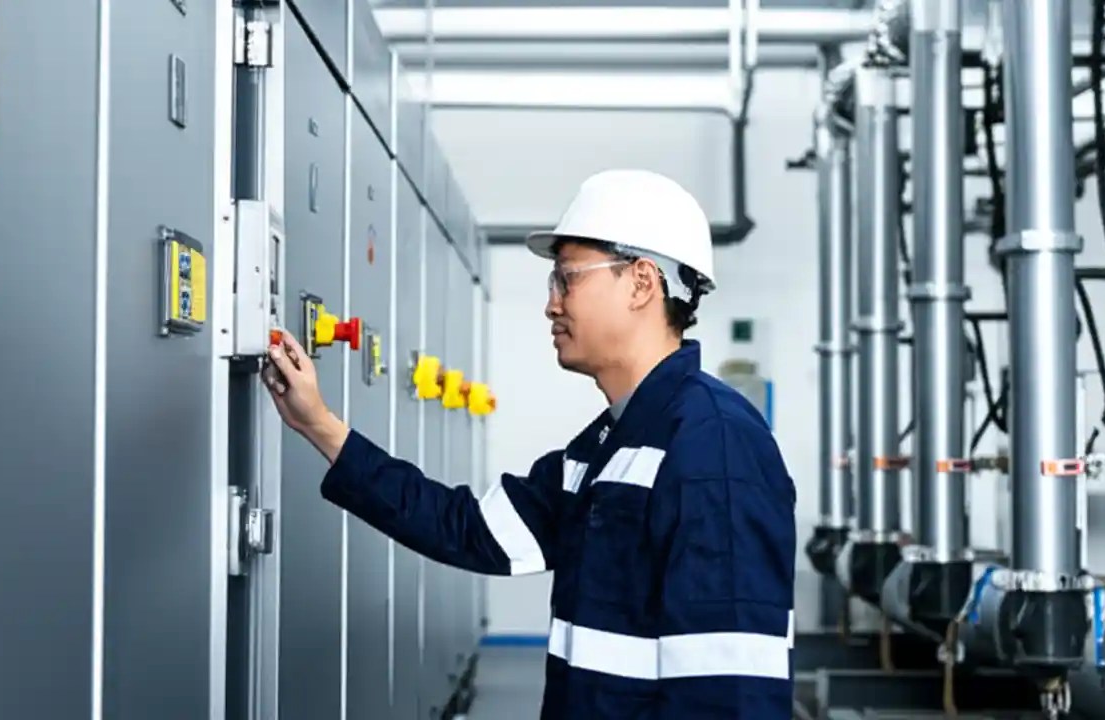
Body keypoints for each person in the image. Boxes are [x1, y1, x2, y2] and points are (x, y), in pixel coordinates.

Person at [262, 169, 796, 719]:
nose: (552, 304)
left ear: (641, 283)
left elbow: (734, 692)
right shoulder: (608, 445)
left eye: (568, 279)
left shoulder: (715, 445)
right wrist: (320, 424)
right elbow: (468, 529)